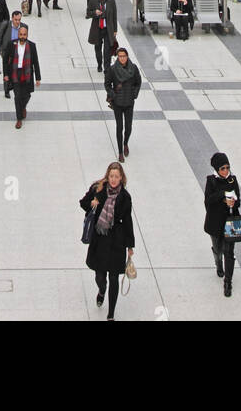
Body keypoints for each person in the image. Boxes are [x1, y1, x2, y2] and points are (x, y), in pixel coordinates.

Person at [80, 162, 135, 320]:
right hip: (100, 239)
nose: (113, 179)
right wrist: (93, 203)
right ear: (107, 175)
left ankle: (111, 314)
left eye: (116, 176)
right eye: (111, 176)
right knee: (100, 277)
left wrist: (130, 245)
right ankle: (101, 290)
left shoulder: (125, 197)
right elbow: (82, 203)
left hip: (117, 241)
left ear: (121, 178)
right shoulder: (98, 189)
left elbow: (128, 220)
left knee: (114, 278)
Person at [204, 152, 241, 297]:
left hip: (230, 222)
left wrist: (234, 202)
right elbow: (208, 200)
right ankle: (218, 264)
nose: (226, 171)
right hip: (215, 222)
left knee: (229, 252)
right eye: (222, 169)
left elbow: (238, 199)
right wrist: (224, 196)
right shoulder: (211, 181)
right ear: (217, 169)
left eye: (227, 168)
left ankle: (228, 282)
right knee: (218, 248)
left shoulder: (233, 180)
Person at [3, 19, 41, 128]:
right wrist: (6, 74)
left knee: (27, 95)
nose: (22, 36)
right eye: (21, 34)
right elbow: (5, 60)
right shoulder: (12, 44)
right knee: (17, 97)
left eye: (24, 35)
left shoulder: (32, 46)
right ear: (18, 34)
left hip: (27, 73)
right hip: (15, 73)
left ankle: (23, 107)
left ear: (27, 35)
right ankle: (19, 119)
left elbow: (36, 62)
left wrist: (38, 78)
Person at [105, 47, 141, 160]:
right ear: (117, 57)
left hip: (129, 102)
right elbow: (107, 84)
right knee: (119, 127)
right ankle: (120, 151)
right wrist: (113, 95)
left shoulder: (133, 68)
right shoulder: (113, 69)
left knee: (128, 127)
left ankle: (125, 143)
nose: (122, 58)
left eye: (124, 56)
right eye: (120, 56)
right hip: (118, 103)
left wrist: (134, 94)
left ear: (127, 56)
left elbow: (138, 82)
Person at [86, 0, 117, 73]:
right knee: (98, 48)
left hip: (108, 29)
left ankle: (107, 68)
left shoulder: (111, 2)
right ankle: (99, 64)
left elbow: (114, 16)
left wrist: (115, 30)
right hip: (97, 29)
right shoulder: (93, 0)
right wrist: (95, 12)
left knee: (107, 49)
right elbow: (88, 13)